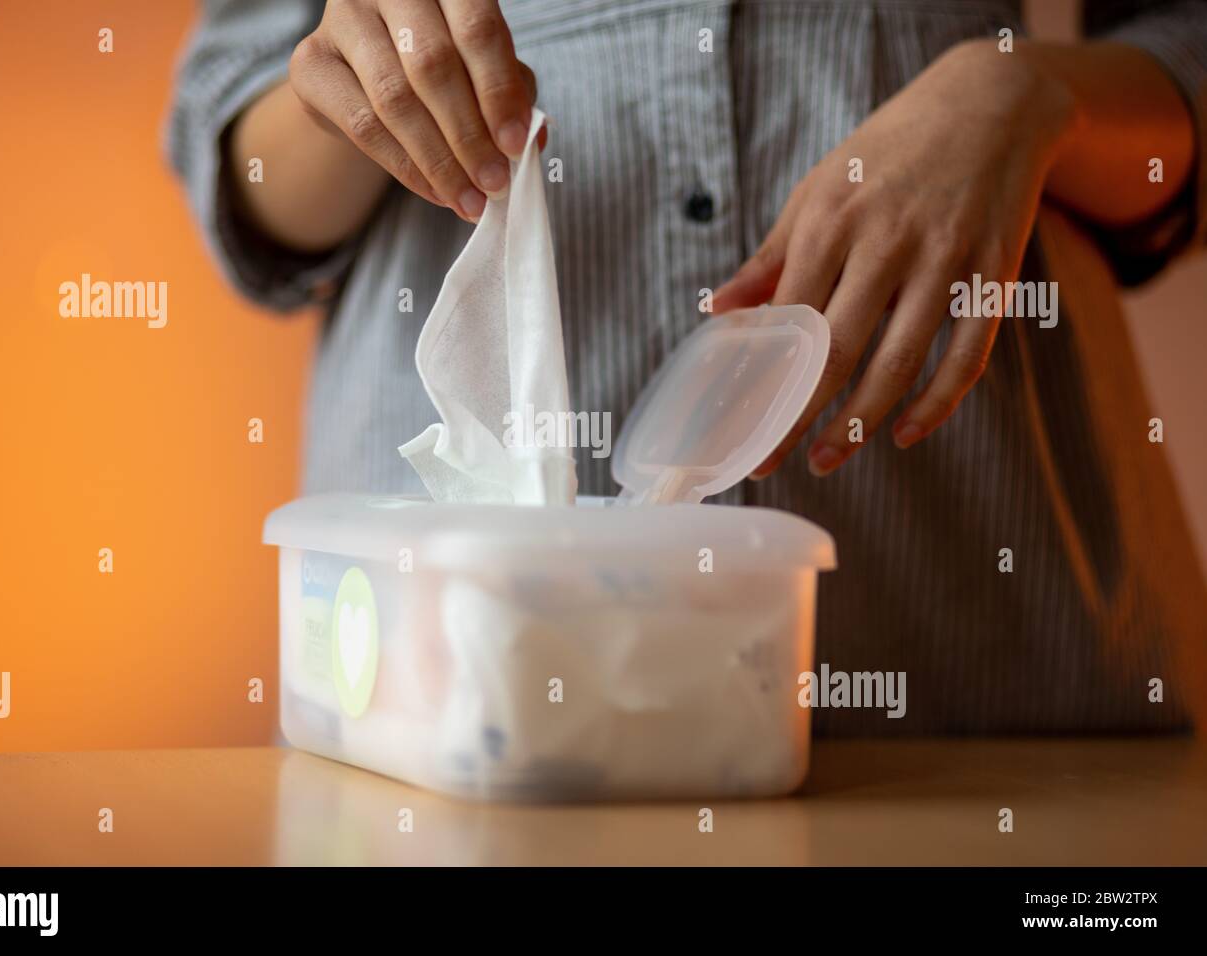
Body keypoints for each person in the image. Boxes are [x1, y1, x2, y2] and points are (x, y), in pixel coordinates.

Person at [168, 0, 1207, 733]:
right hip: (452, 677)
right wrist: (353, 90)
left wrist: (1026, 90)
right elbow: (240, 166)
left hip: (965, 606)